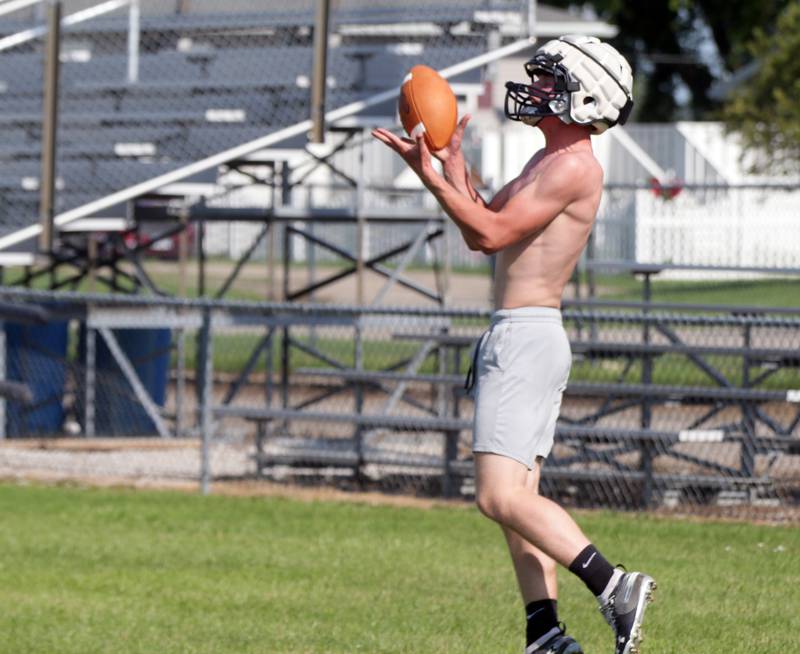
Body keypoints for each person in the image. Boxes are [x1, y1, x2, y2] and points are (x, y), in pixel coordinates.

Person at [373, 35, 655, 654]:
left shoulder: (575, 164)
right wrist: (450, 164)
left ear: (583, 96)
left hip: (526, 337)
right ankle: (545, 634)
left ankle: (614, 585)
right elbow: (484, 215)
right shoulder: (546, 160)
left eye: (552, 80)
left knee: (497, 496)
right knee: (516, 503)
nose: (538, 88)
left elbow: (486, 235)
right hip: (521, 334)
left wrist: (428, 175)